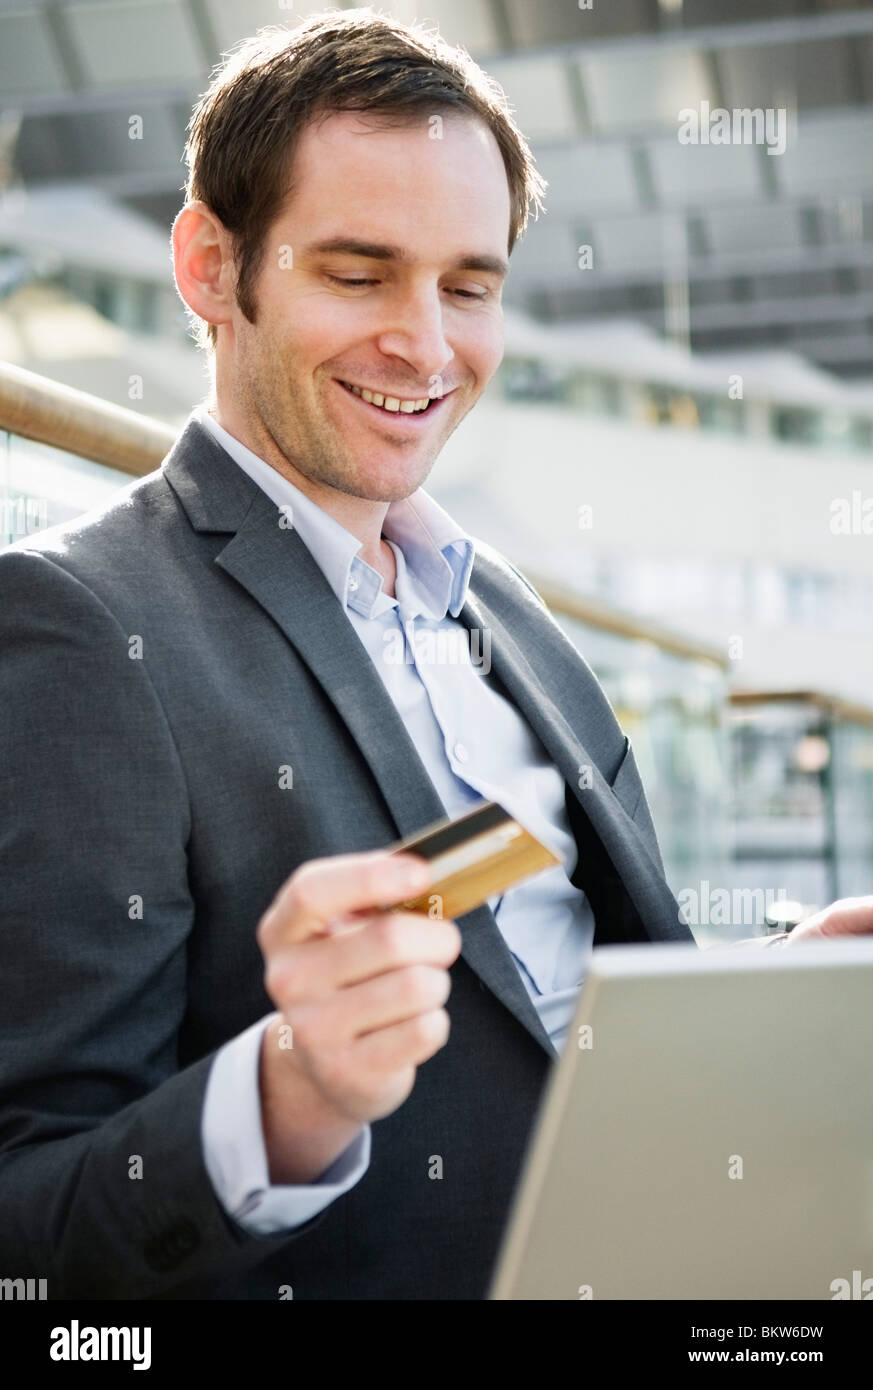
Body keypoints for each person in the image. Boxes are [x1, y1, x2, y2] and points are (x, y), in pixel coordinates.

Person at [0, 8, 869, 1302]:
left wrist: (751, 1007)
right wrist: (291, 1091)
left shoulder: (505, 612)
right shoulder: (80, 623)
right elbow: (32, 1224)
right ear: (206, 265)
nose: (424, 343)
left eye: (468, 286)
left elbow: (560, 1001)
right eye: (356, 274)